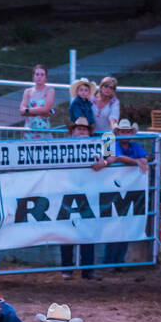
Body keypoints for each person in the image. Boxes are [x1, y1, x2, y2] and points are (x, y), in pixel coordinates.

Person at [96, 119, 148, 268]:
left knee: (125, 225)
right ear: (117, 133)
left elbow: (145, 157)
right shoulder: (113, 145)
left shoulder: (135, 146)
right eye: (122, 131)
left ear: (131, 133)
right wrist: (137, 161)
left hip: (127, 191)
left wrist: (140, 160)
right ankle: (109, 261)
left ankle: (118, 261)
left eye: (127, 131)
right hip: (113, 190)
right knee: (113, 225)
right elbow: (118, 158)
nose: (124, 134)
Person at [60, 117, 98, 279]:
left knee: (88, 231)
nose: (82, 131)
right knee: (66, 231)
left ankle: (87, 269)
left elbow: (111, 153)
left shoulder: (97, 145)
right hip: (67, 192)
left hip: (89, 193)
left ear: (89, 132)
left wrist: (104, 162)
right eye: (78, 128)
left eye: (85, 128)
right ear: (72, 131)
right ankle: (67, 269)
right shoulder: (64, 146)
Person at [19, 64, 55, 134]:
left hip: (44, 131)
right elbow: (21, 111)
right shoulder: (27, 91)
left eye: (42, 75)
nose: (39, 77)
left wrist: (28, 111)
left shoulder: (50, 91)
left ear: (46, 77)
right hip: (28, 130)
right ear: (33, 76)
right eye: (37, 74)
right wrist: (40, 111)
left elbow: (45, 109)